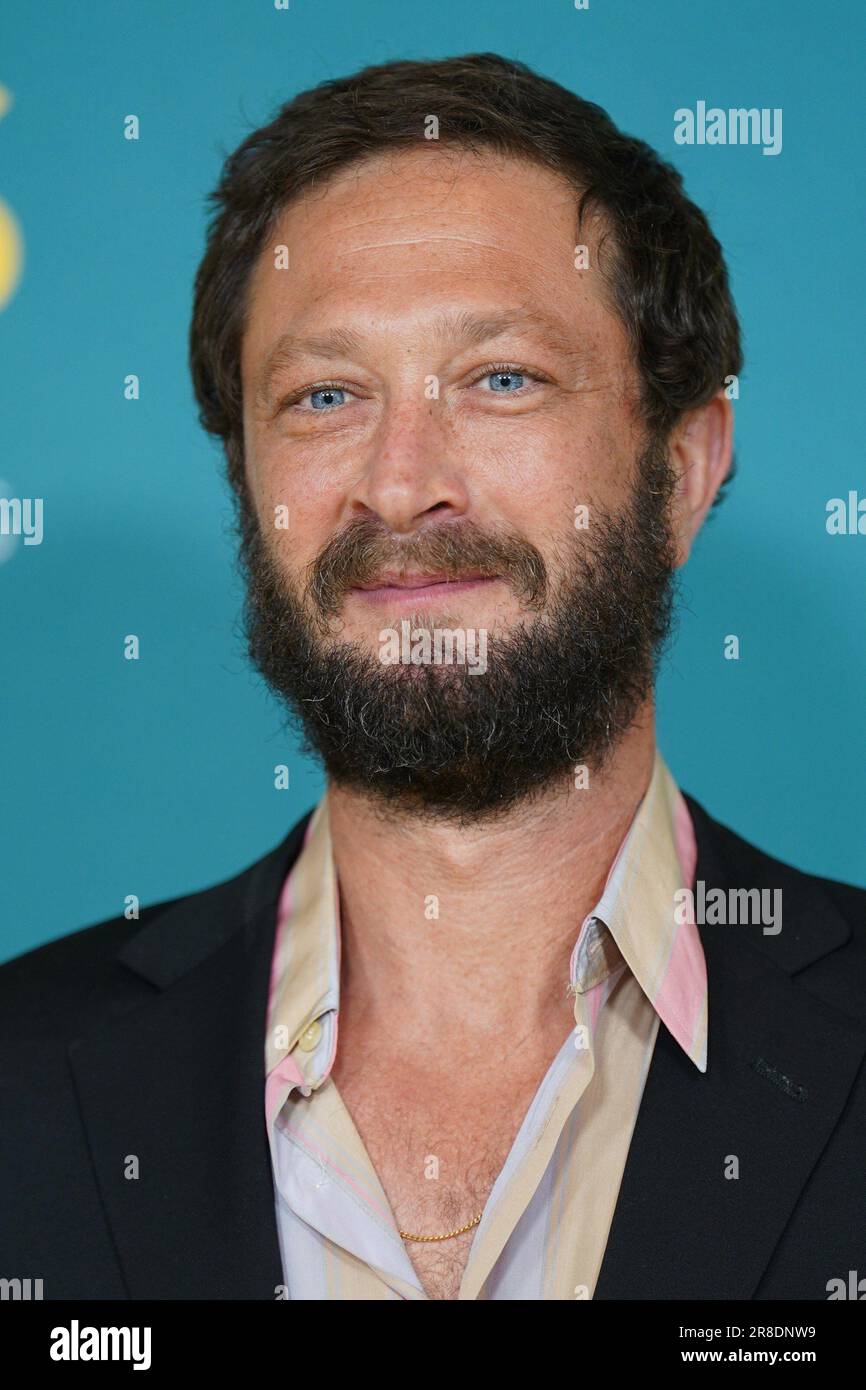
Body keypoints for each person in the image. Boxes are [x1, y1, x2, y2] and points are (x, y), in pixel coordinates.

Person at [2, 53, 865, 1302]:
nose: (400, 483)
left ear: (678, 471)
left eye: (500, 379)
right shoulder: (22, 1078)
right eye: (324, 394)